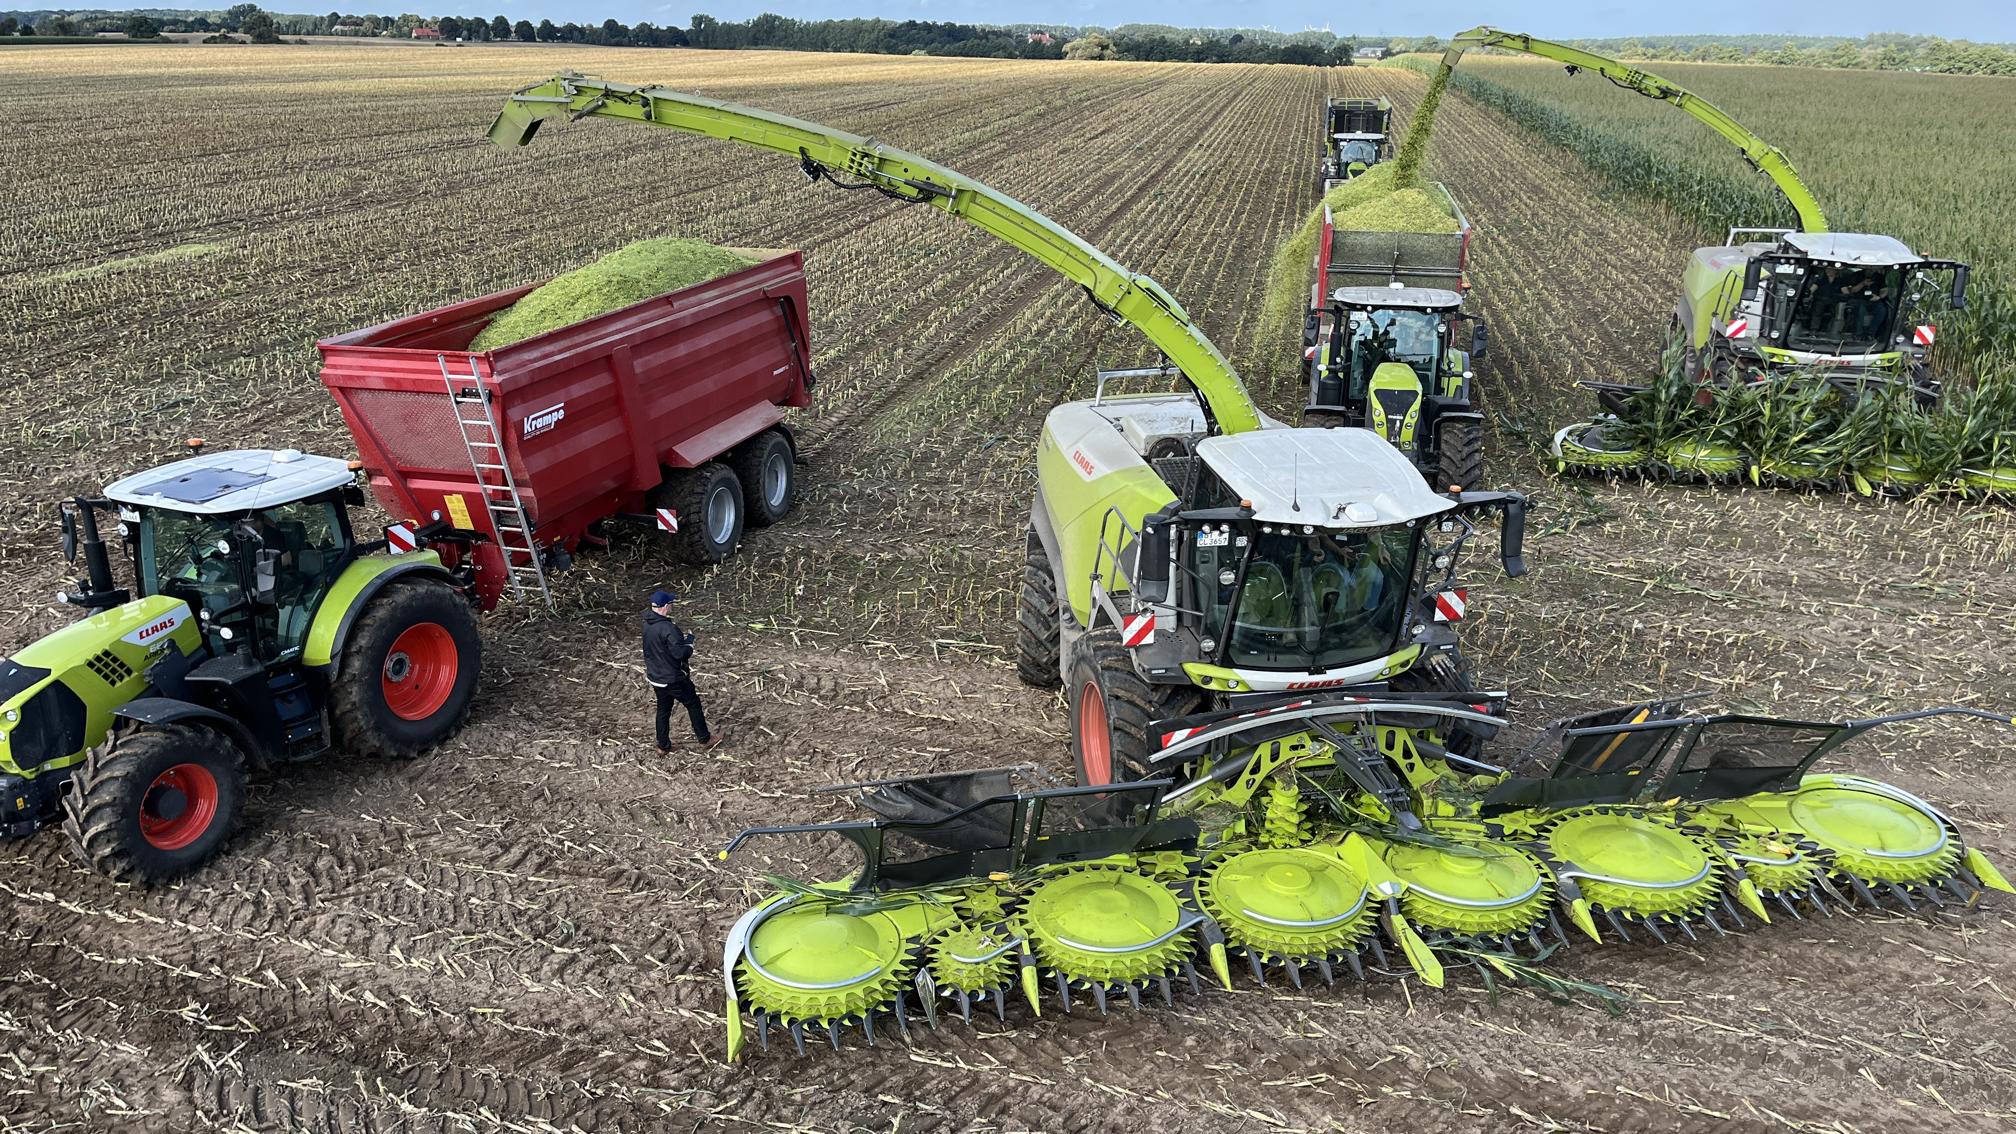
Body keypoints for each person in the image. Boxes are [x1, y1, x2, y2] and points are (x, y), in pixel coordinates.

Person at [643, 589, 719, 753]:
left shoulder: (647, 625)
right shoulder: (669, 628)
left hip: (656, 677)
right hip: (673, 678)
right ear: (665, 606)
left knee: (663, 710)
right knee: (693, 704)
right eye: (671, 603)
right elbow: (680, 654)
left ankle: (663, 746)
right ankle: (705, 738)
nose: (672, 606)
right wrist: (689, 643)